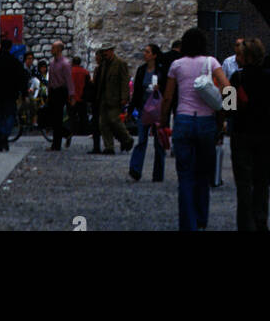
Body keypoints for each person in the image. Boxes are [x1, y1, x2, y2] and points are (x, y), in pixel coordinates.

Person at [160, 25, 231, 231]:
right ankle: (201, 219)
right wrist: (226, 115)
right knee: (203, 174)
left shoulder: (176, 65)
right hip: (206, 122)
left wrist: (163, 120)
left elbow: (168, 97)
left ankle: (188, 224)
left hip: (183, 120)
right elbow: (227, 88)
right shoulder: (211, 62)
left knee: (185, 176)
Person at [228, 38, 270, 231]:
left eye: (239, 54)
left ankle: (245, 225)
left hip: (242, 134)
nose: (236, 57)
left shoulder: (236, 78)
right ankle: (261, 221)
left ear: (247, 56)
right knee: (262, 181)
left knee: (244, 183)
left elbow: (228, 107)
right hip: (266, 135)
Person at [127, 43, 167, 182]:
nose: (145, 54)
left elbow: (167, 88)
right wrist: (131, 109)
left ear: (154, 55)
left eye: (147, 52)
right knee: (142, 140)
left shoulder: (162, 70)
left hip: (157, 110)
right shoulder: (141, 70)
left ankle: (158, 174)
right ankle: (135, 170)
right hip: (144, 109)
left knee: (159, 143)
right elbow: (137, 91)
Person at [0, 37, 28, 151]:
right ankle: (4, 135)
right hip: (10, 94)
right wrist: (24, 94)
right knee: (9, 116)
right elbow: (21, 79)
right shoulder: (15, 62)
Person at [95, 44, 132, 154]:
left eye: (106, 51)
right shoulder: (104, 64)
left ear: (111, 51)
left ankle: (127, 139)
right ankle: (109, 147)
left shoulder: (120, 63)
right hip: (103, 98)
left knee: (115, 121)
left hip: (114, 98)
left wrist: (124, 97)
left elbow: (125, 81)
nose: (104, 54)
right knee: (103, 124)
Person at [47, 40, 75, 151]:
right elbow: (50, 79)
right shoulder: (52, 63)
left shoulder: (65, 64)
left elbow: (69, 80)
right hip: (53, 91)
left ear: (58, 49)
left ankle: (56, 145)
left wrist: (72, 95)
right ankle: (66, 133)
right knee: (53, 117)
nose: (51, 50)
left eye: (53, 48)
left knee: (58, 117)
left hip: (60, 92)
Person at [70, 56, 89, 135]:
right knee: (83, 116)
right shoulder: (85, 72)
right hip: (82, 97)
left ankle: (72, 131)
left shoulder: (69, 72)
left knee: (72, 116)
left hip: (72, 98)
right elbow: (88, 85)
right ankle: (83, 131)